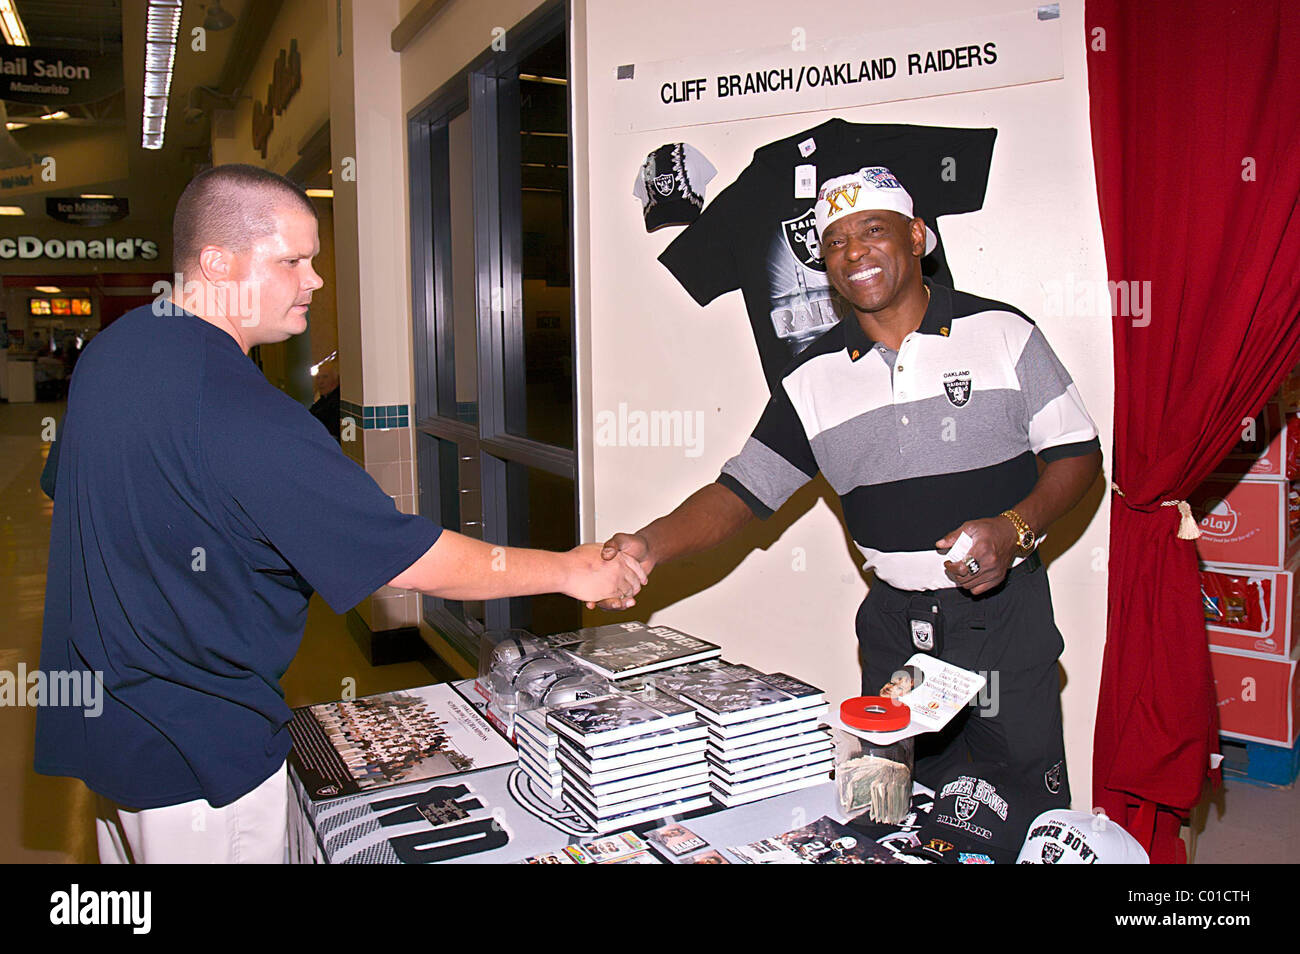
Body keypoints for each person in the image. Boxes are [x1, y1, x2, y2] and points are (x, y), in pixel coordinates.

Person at [34, 163, 646, 864]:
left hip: (112, 731)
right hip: (200, 764)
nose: (315, 280)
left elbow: (76, 493)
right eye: (293, 260)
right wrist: (569, 571)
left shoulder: (114, 351)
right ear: (216, 262)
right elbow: (417, 559)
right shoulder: (244, 410)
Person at [596, 166, 1102, 804]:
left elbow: (1079, 456)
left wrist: (1015, 529)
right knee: (891, 808)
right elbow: (740, 494)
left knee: (1026, 808)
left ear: (917, 237)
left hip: (1004, 620)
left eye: (873, 230)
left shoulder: (1003, 332)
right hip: (895, 627)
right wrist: (647, 545)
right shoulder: (810, 377)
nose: (853, 251)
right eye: (834, 241)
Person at [309, 356, 341, 439]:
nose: (320, 382)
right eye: (318, 378)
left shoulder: (338, 403)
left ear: (336, 379)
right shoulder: (322, 400)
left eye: (325, 377)